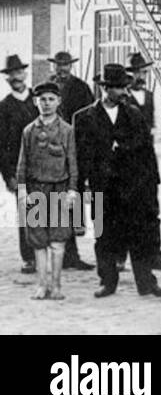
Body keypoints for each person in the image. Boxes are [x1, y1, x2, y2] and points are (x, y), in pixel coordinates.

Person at [77, 64, 161, 300]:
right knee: (103, 237)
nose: (124, 92)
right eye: (119, 88)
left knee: (139, 236)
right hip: (102, 188)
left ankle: (147, 284)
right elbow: (81, 156)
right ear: (105, 89)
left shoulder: (134, 114)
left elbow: (146, 153)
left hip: (133, 187)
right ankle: (107, 282)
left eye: (125, 87)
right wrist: (81, 187)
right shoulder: (84, 117)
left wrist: (151, 185)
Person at [16, 81, 76, 300]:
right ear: (35, 102)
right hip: (35, 190)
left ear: (58, 101)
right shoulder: (29, 131)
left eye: (51, 99)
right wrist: (22, 191)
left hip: (59, 190)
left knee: (58, 241)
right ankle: (41, 285)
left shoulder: (67, 130)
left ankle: (57, 285)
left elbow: (73, 165)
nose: (47, 104)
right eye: (42, 100)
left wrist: (72, 191)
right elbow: (22, 164)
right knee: (39, 242)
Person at [47, 51, 95, 272]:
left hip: (75, 151)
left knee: (73, 201)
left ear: (71, 66)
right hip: (51, 152)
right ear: (54, 67)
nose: (62, 69)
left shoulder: (82, 88)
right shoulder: (46, 88)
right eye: (58, 65)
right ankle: (56, 253)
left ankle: (73, 254)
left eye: (65, 65)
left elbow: (91, 119)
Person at [123, 52, 161, 272]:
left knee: (152, 210)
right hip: (126, 163)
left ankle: (155, 255)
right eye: (135, 72)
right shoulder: (122, 99)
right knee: (124, 211)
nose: (139, 76)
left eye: (142, 72)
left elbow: (156, 129)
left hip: (148, 163)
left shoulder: (151, 97)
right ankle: (120, 257)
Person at [1, 54, 39, 274]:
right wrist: (8, 176)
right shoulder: (4, 107)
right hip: (20, 169)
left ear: (25, 74)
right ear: (7, 79)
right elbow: (2, 146)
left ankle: (48, 254)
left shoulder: (39, 99)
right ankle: (29, 257)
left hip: (45, 165)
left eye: (19, 72)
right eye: (11, 74)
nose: (16, 77)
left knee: (49, 207)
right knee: (27, 213)